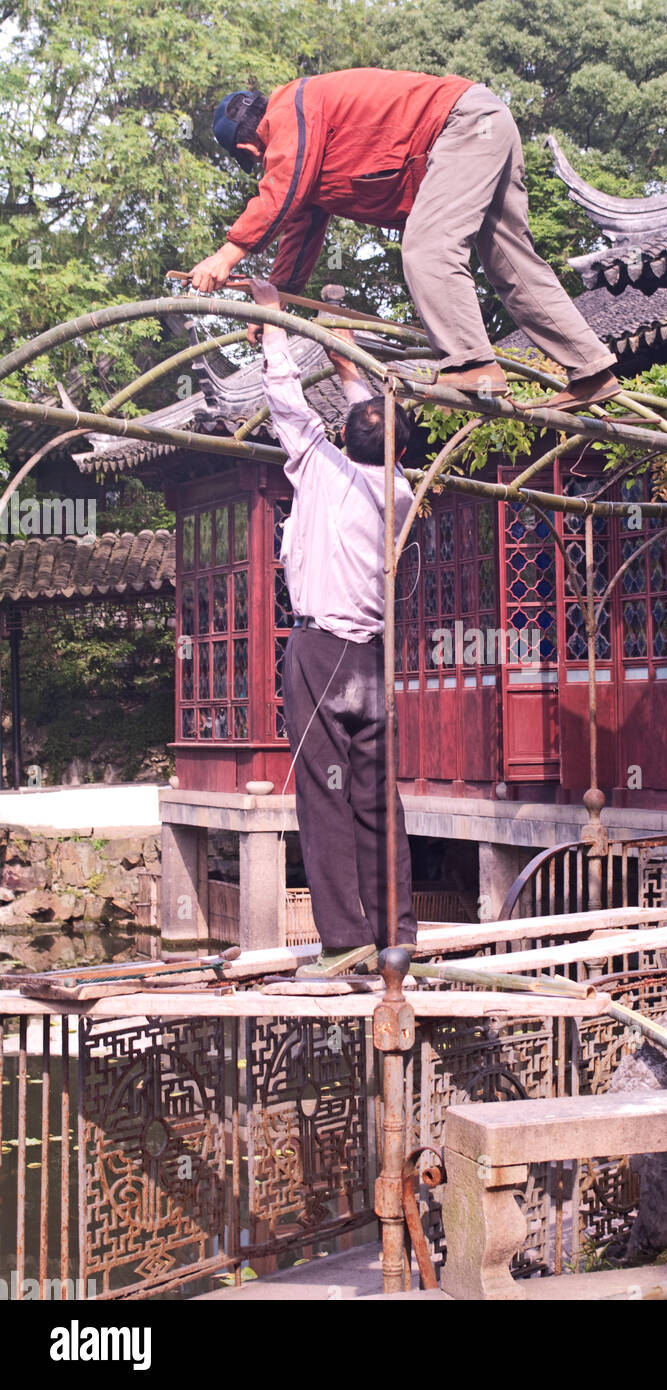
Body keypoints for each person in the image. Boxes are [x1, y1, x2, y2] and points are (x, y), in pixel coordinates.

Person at [189, 70, 620, 411]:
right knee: (511, 265)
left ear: (248, 149)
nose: (265, 166)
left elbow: (280, 187)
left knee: (427, 248)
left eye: (258, 162)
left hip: (463, 125)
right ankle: (590, 369)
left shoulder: (292, 110)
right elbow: (297, 235)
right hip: (487, 124)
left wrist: (228, 253)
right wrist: (275, 305)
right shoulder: (307, 153)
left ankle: (472, 365)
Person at [250, 277, 418, 975]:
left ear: (346, 437)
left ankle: (346, 937)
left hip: (321, 651)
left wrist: (270, 319)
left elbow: (287, 400)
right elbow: (375, 430)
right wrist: (347, 360)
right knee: (378, 794)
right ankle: (397, 931)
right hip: (369, 662)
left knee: (326, 791)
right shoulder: (401, 488)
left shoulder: (318, 467)